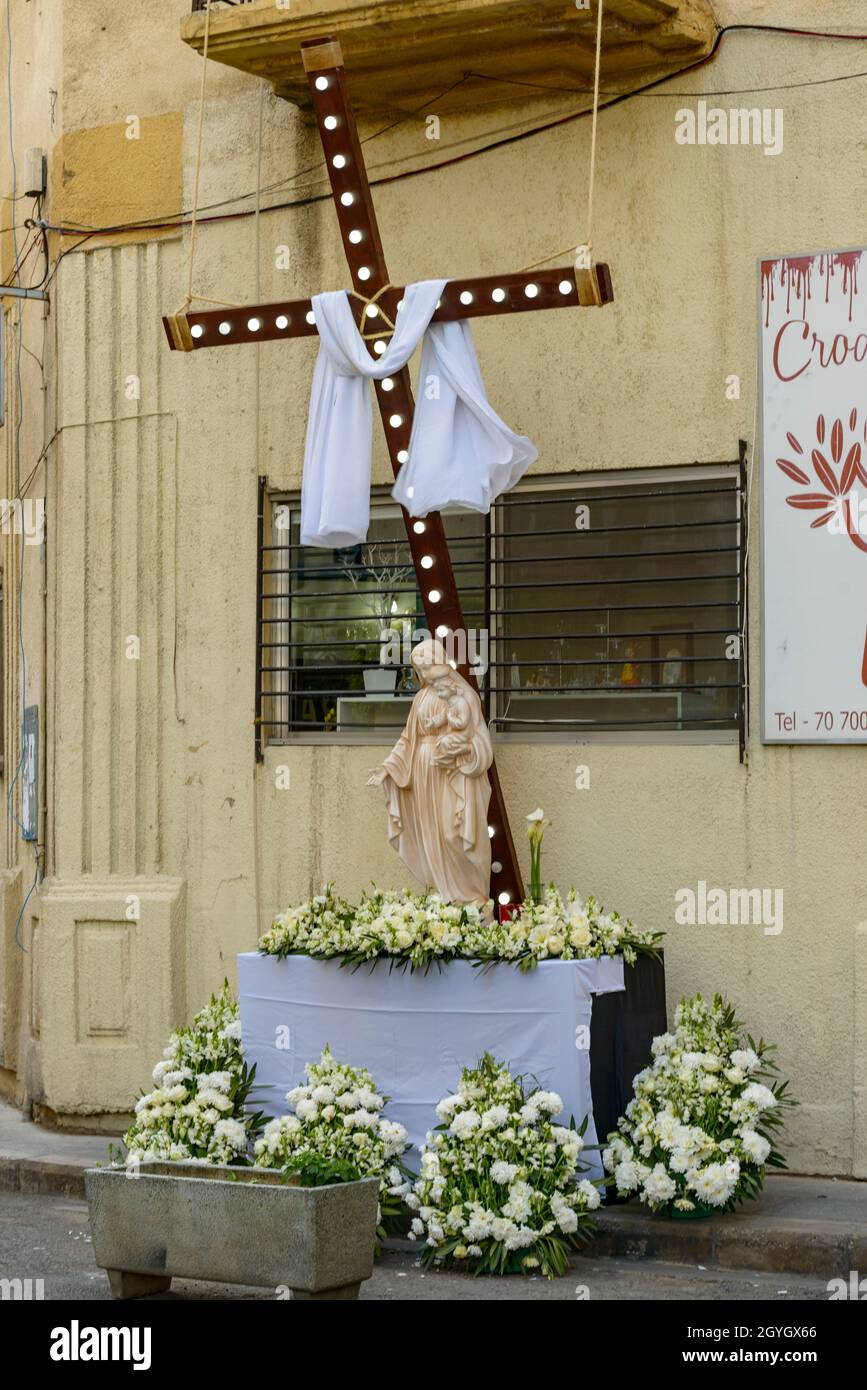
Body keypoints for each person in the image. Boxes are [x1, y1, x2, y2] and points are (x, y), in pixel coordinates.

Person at [367, 638, 493, 905]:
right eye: (419, 669)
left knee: (452, 832)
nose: (423, 674)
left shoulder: (464, 695)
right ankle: (446, 895)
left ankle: (471, 898)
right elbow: (407, 740)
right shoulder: (421, 698)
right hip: (424, 772)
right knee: (431, 834)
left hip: (452, 773)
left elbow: (481, 742)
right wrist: (388, 768)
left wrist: (462, 753)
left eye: (426, 666)